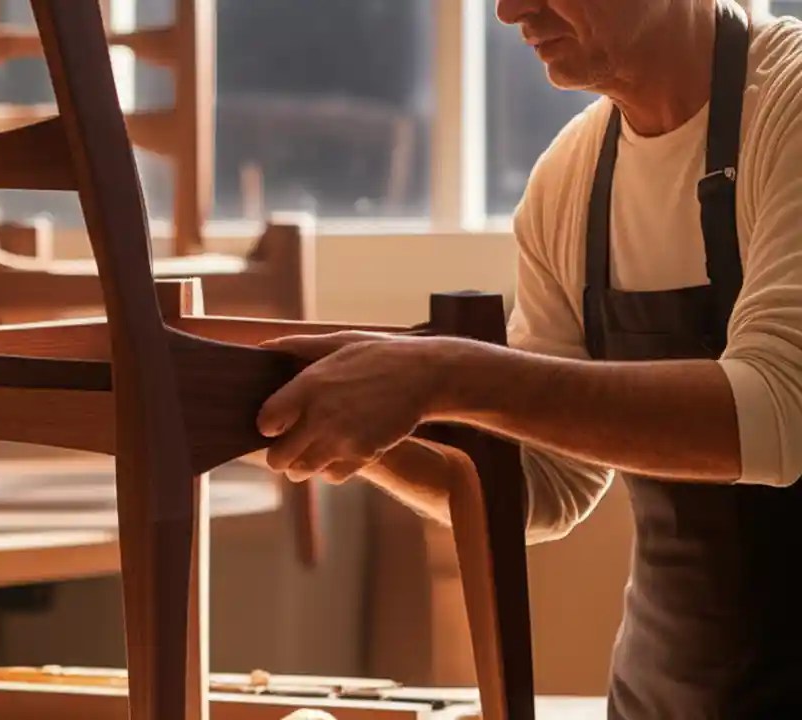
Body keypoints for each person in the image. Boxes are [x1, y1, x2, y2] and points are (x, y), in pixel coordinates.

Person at [254, 0, 802, 716]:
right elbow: (542, 489)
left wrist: (443, 377)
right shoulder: (572, 181)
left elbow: (777, 412)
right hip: (660, 698)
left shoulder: (788, 108)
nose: (510, 10)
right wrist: (342, 418)